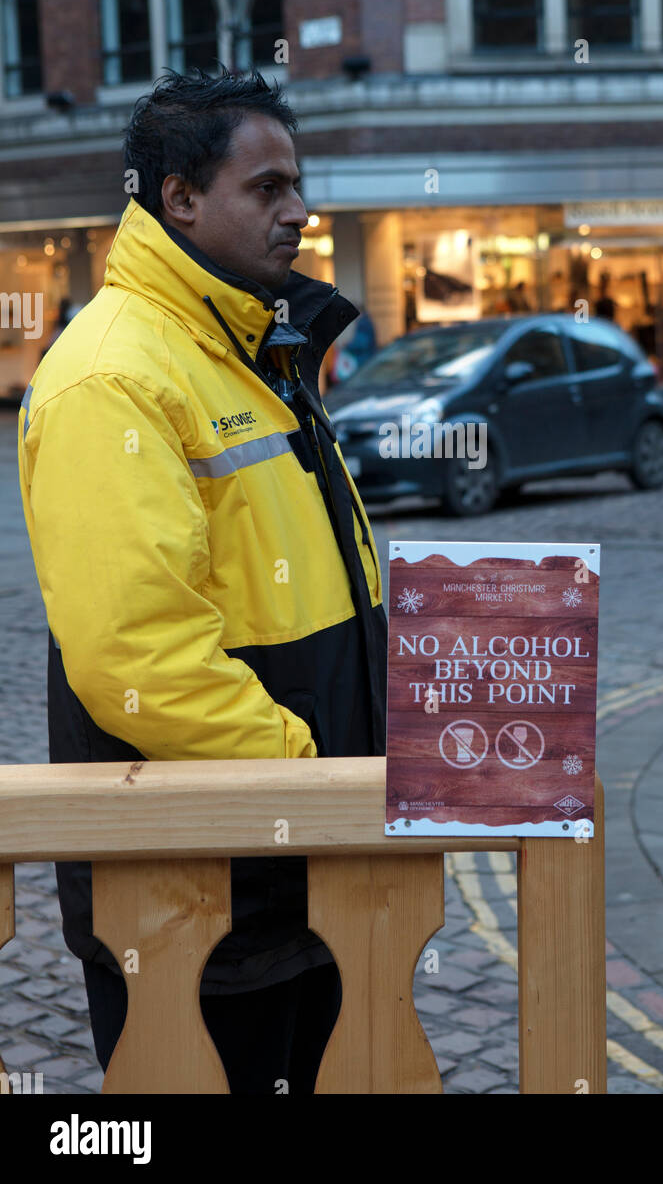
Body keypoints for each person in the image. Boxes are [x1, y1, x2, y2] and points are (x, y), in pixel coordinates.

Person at [17, 67, 387, 1095]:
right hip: (204, 894)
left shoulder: (249, 344)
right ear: (178, 197)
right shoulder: (115, 372)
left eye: (297, 185)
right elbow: (134, 655)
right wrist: (312, 774)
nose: (299, 212)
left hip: (292, 871)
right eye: (266, 188)